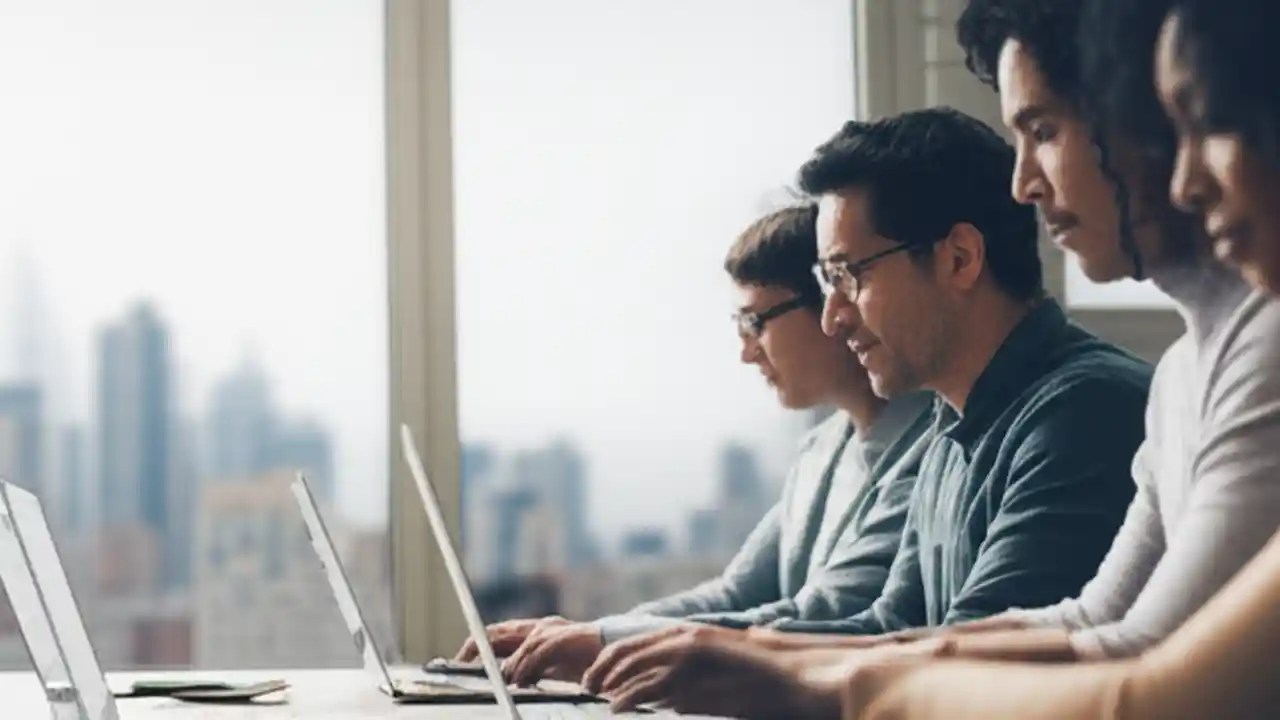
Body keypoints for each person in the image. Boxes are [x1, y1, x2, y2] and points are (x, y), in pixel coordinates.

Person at [582, 106, 1152, 713]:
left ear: (959, 258)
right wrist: (697, 656)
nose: (833, 316)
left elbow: (970, 668)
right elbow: (888, 627)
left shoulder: (1082, 413)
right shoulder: (948, 430)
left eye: (848, 276)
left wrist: (745, 665)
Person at [456, 204, 937, 684]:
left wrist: (607, 642)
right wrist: (589, 636)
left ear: (832, 306)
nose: (747, 351)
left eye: (756, 322)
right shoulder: (821, 449)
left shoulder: (929, 448)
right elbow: (733, 595)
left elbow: (823, 612)